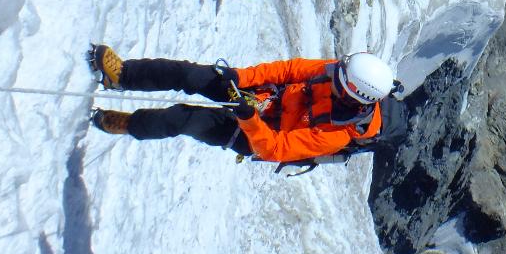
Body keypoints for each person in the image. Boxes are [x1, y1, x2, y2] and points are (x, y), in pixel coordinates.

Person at [87, 44, 400, 164]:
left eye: (339, 78)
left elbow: (275, 149)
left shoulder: (338, 134)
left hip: (257, 135)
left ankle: (128, 124)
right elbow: (290, 70)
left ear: (351, 93)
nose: (332, 72)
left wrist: (249, 119)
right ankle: (123, 76)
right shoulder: (342, 73)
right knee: (190, 75)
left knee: (184, 119)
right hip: (261, 98)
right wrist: (241, 77)